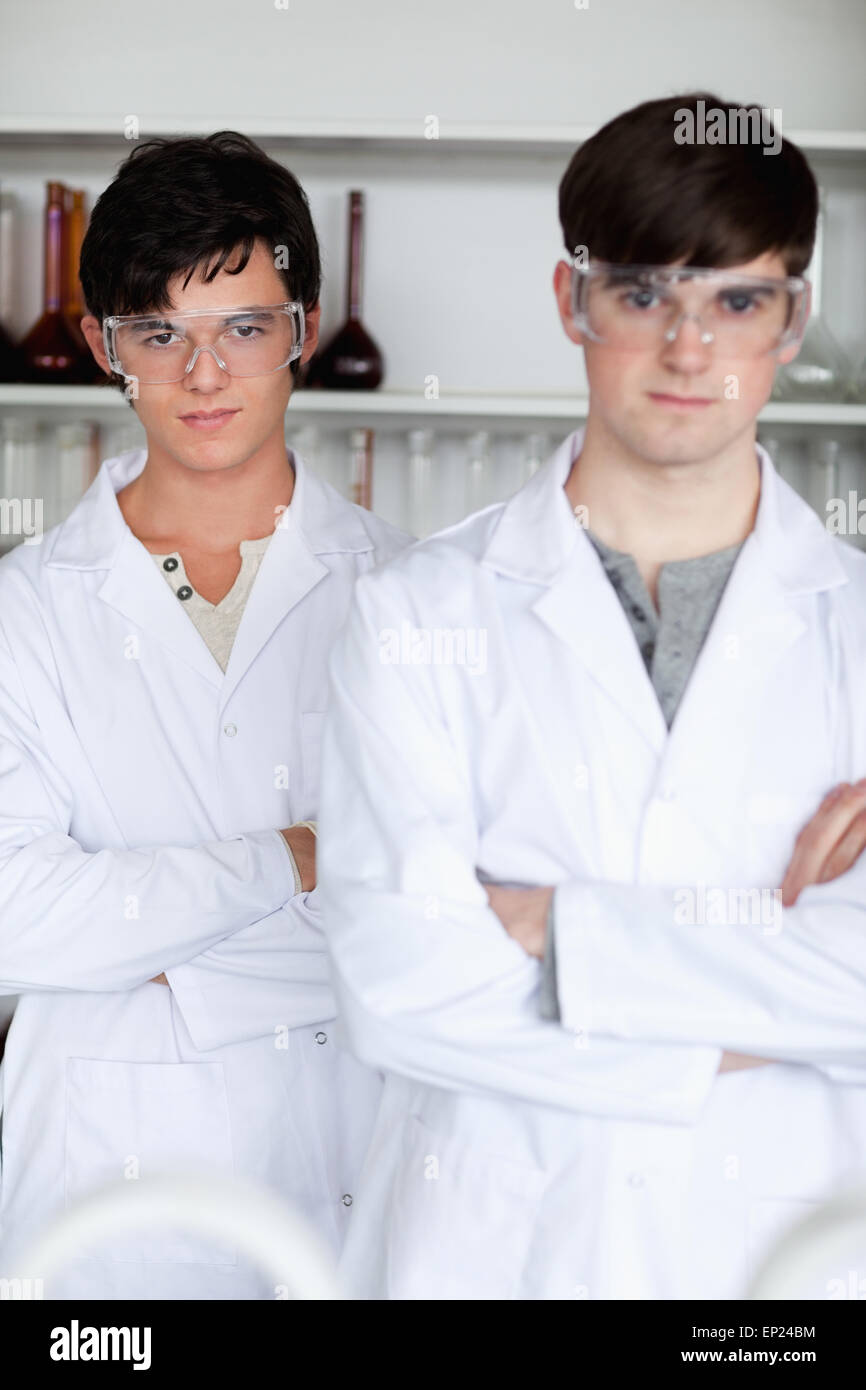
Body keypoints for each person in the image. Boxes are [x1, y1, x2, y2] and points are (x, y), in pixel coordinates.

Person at [317, 93, 866, 1300]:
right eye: (641, 294)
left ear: (790, 322)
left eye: (736, 300)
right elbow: (397, 987)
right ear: (571, 301)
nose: (689, 347)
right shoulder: (419, 614)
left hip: (779, 1272)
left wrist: (560, 930)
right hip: (490, 1255)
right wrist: (774, 1021)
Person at [0, 131, 411, 1299]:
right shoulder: (23, 608)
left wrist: (149, 955)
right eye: (157, 333)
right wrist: (296, 860)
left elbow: (435, 918)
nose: (203, 374)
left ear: (304, 328)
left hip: (345, 1176)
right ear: (101, 347)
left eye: (243, 326)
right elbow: (15, 922)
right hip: (100, 1223)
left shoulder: (413, 591)